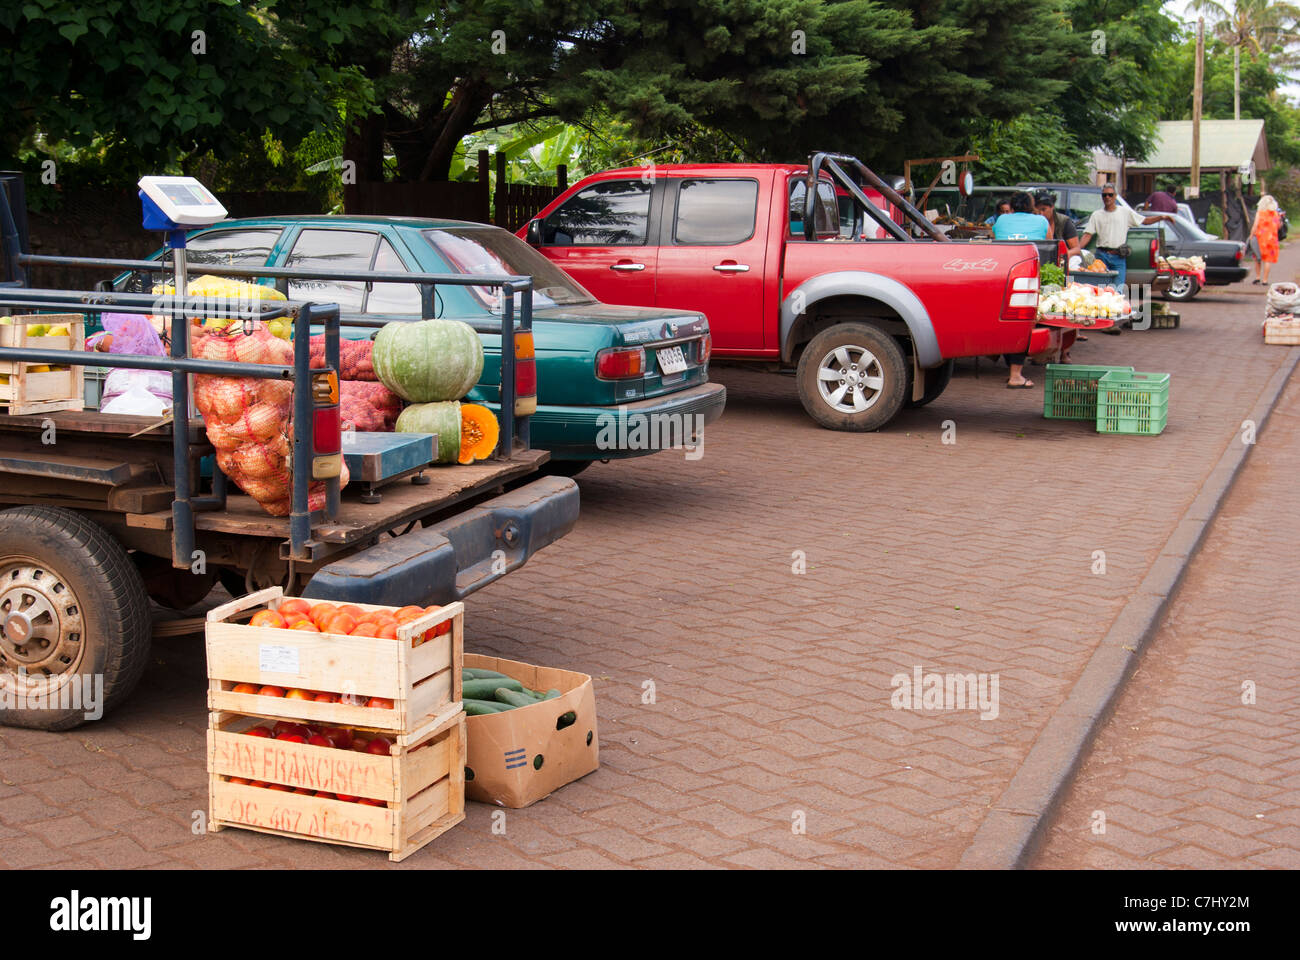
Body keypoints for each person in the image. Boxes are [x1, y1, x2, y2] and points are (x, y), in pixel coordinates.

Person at [1079, 185, 1174, 290]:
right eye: (1104, 195)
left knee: (1117, 290)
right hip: (1101, 257)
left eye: (1110, 195)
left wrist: (1161, 217)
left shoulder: (1125, 212)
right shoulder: (1096, 215)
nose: (1107, 197)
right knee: (1100, 290)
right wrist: (1076, 250)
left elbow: (1145, 221)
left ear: (1115, 196)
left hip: (1118, 257)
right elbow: (1087, 234)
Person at [1034, 191, 1081, 258]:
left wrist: (1062, 255)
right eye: (1038, 210)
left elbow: (1076, 249)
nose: (1041, 213)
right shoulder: (1034, 222)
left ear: (1052, 207)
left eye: (1044, 209)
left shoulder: (1064, 221)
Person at [1251, 194, 1281, 285]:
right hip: (1271, 239)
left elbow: (1255, 225)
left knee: (1257, 258)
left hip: (1260, 238)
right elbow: (1278, 226)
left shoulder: (1260, 213)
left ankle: (1257, 277)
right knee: (1268, 260)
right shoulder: (1276, 214)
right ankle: (1265, 280)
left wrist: (1251, 235)